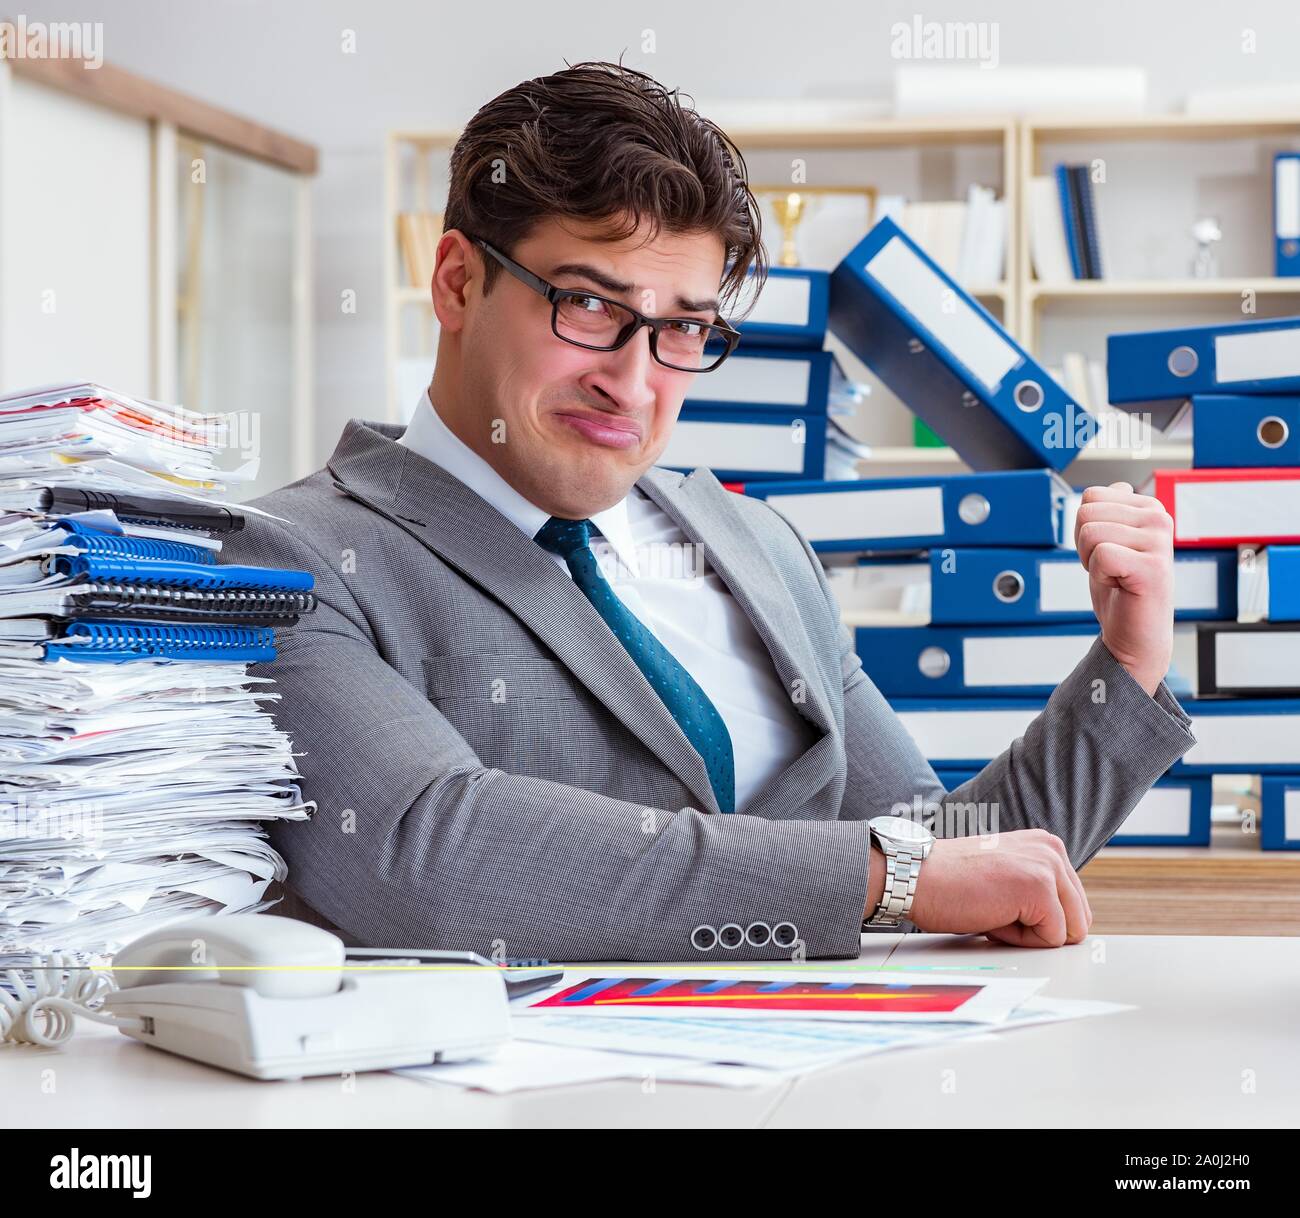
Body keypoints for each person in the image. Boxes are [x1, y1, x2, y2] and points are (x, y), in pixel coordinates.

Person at [221, 61, 1194, 961]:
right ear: (457, 282)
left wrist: (1126, 665)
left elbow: (943, 855)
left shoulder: (755, 542)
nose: (631, 382)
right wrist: (878, 877)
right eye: (587, 305)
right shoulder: (285, 558)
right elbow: (424, 857)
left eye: (682, 327)